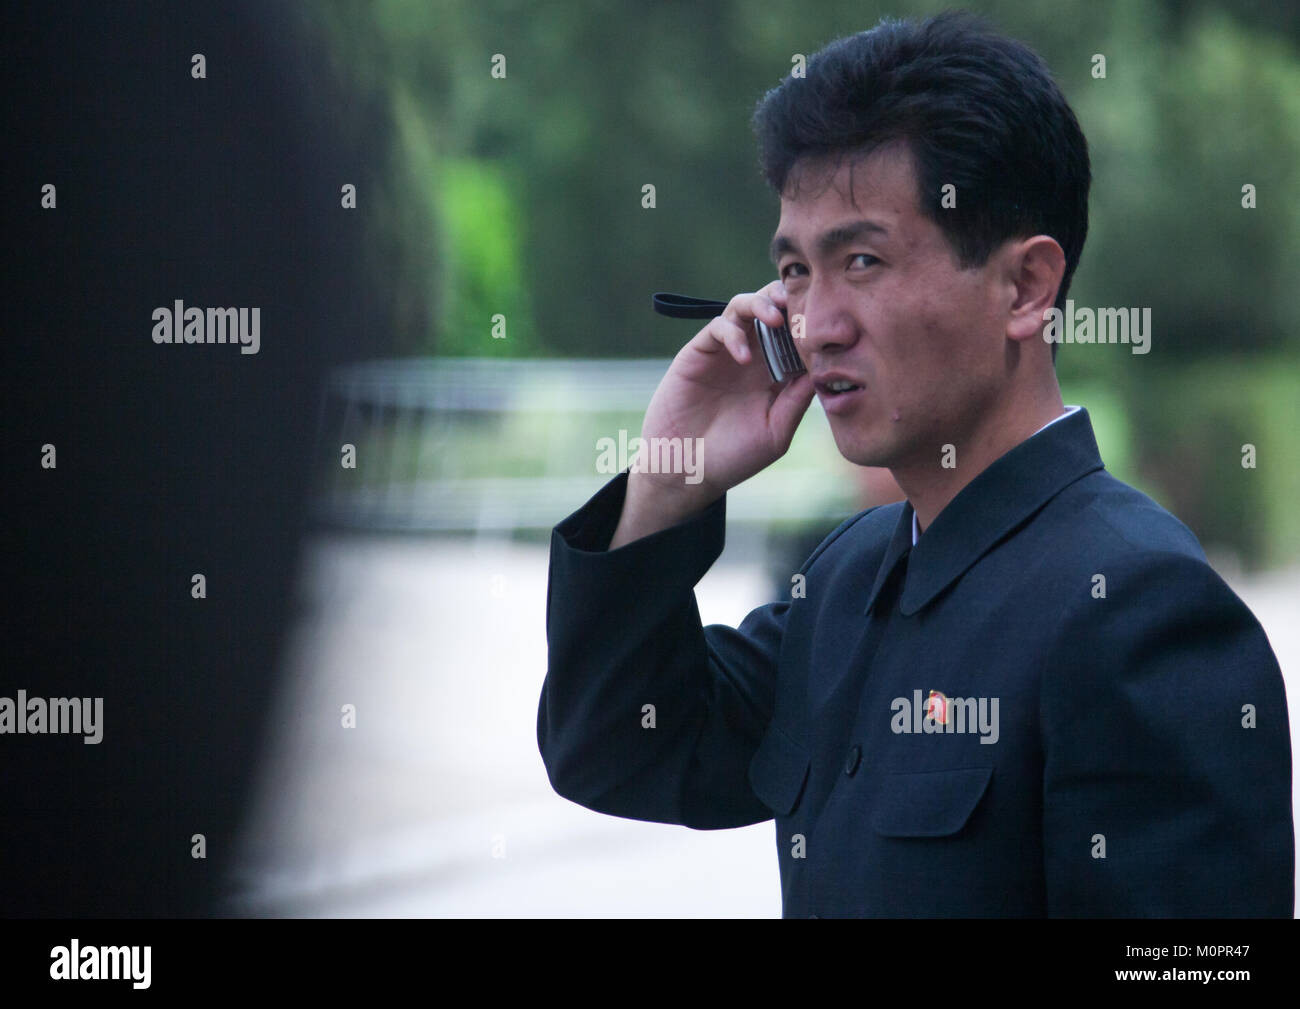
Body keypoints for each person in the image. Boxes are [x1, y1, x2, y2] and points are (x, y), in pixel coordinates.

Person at [536, 11, 1293, 917]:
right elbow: (618, 746)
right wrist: (669, 476)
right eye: (796, 272)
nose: (816, 325)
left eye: (861, 259)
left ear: (1025, 287)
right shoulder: (848, 581)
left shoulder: (1137, 609)